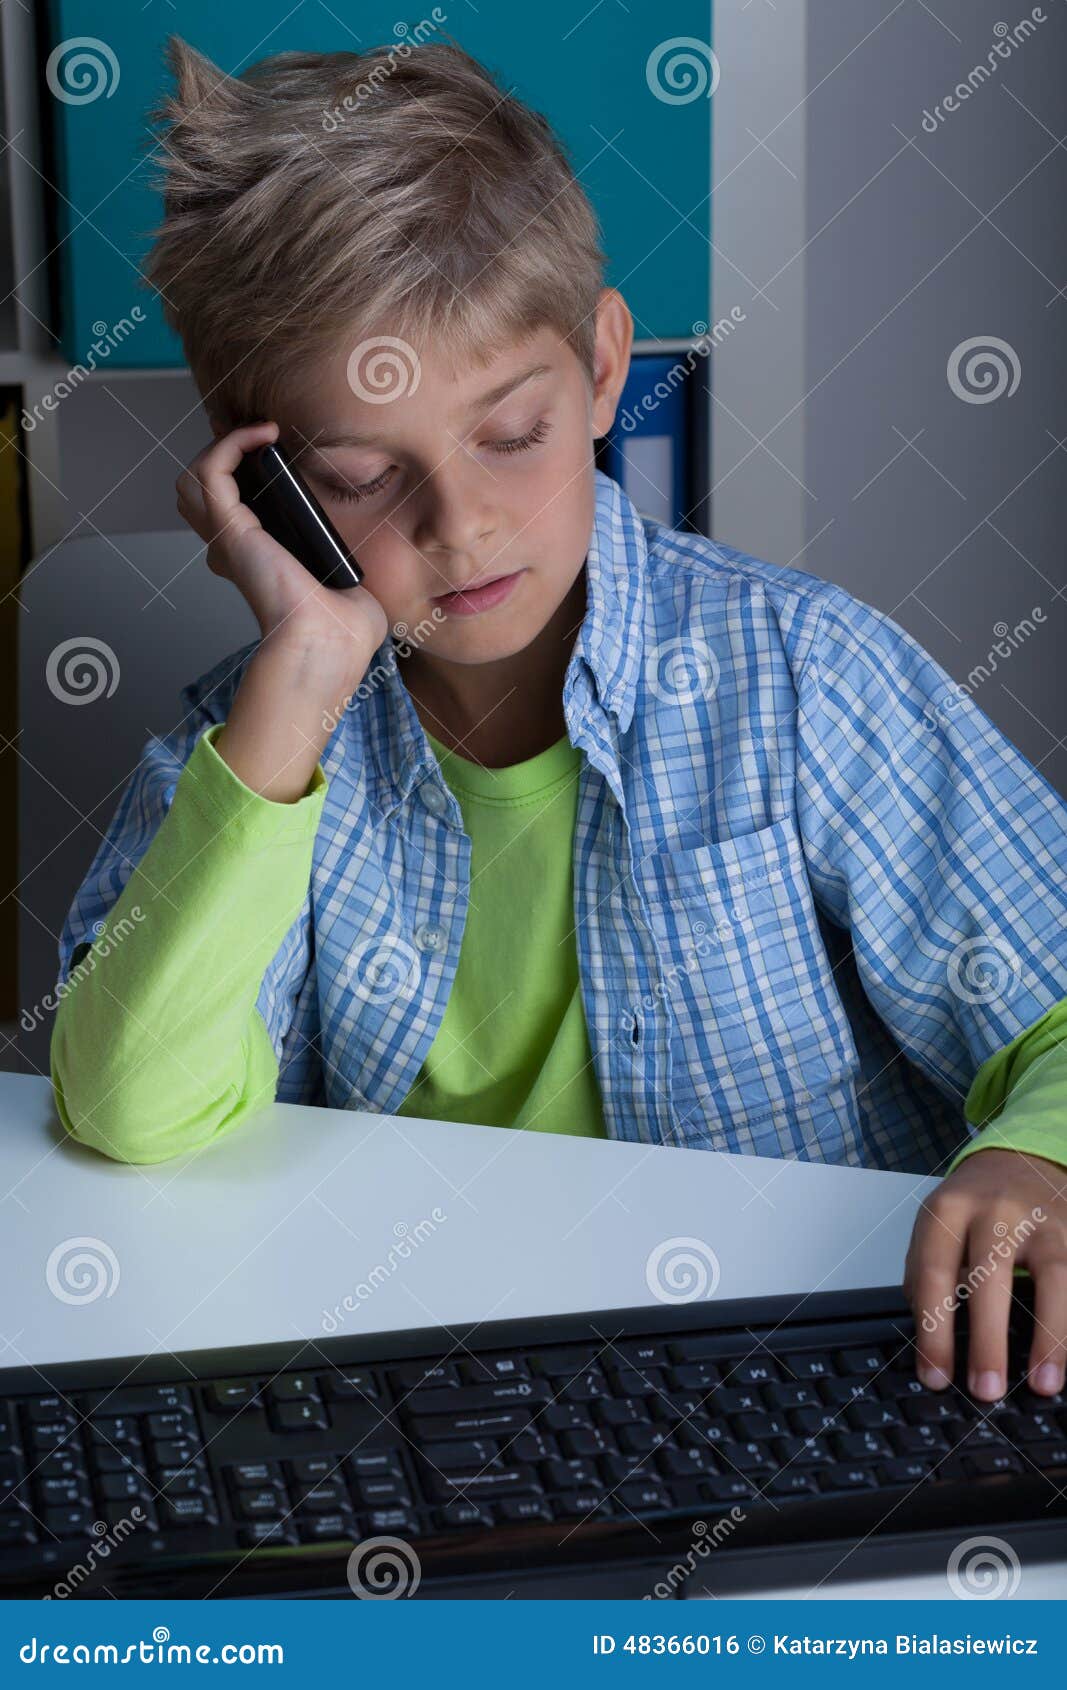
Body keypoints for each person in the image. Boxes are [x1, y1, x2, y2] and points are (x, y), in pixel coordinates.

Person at [51, 37, 1067, 1405]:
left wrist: (1040, 1153)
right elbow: (132, 1108)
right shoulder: (245, 758)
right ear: (265, 488)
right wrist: (297, 679)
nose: (460, 524)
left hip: (782, 1386)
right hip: (436, 1397)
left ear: (599, 367)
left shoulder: (804, 678)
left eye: (511, 435)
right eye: (359, 476)